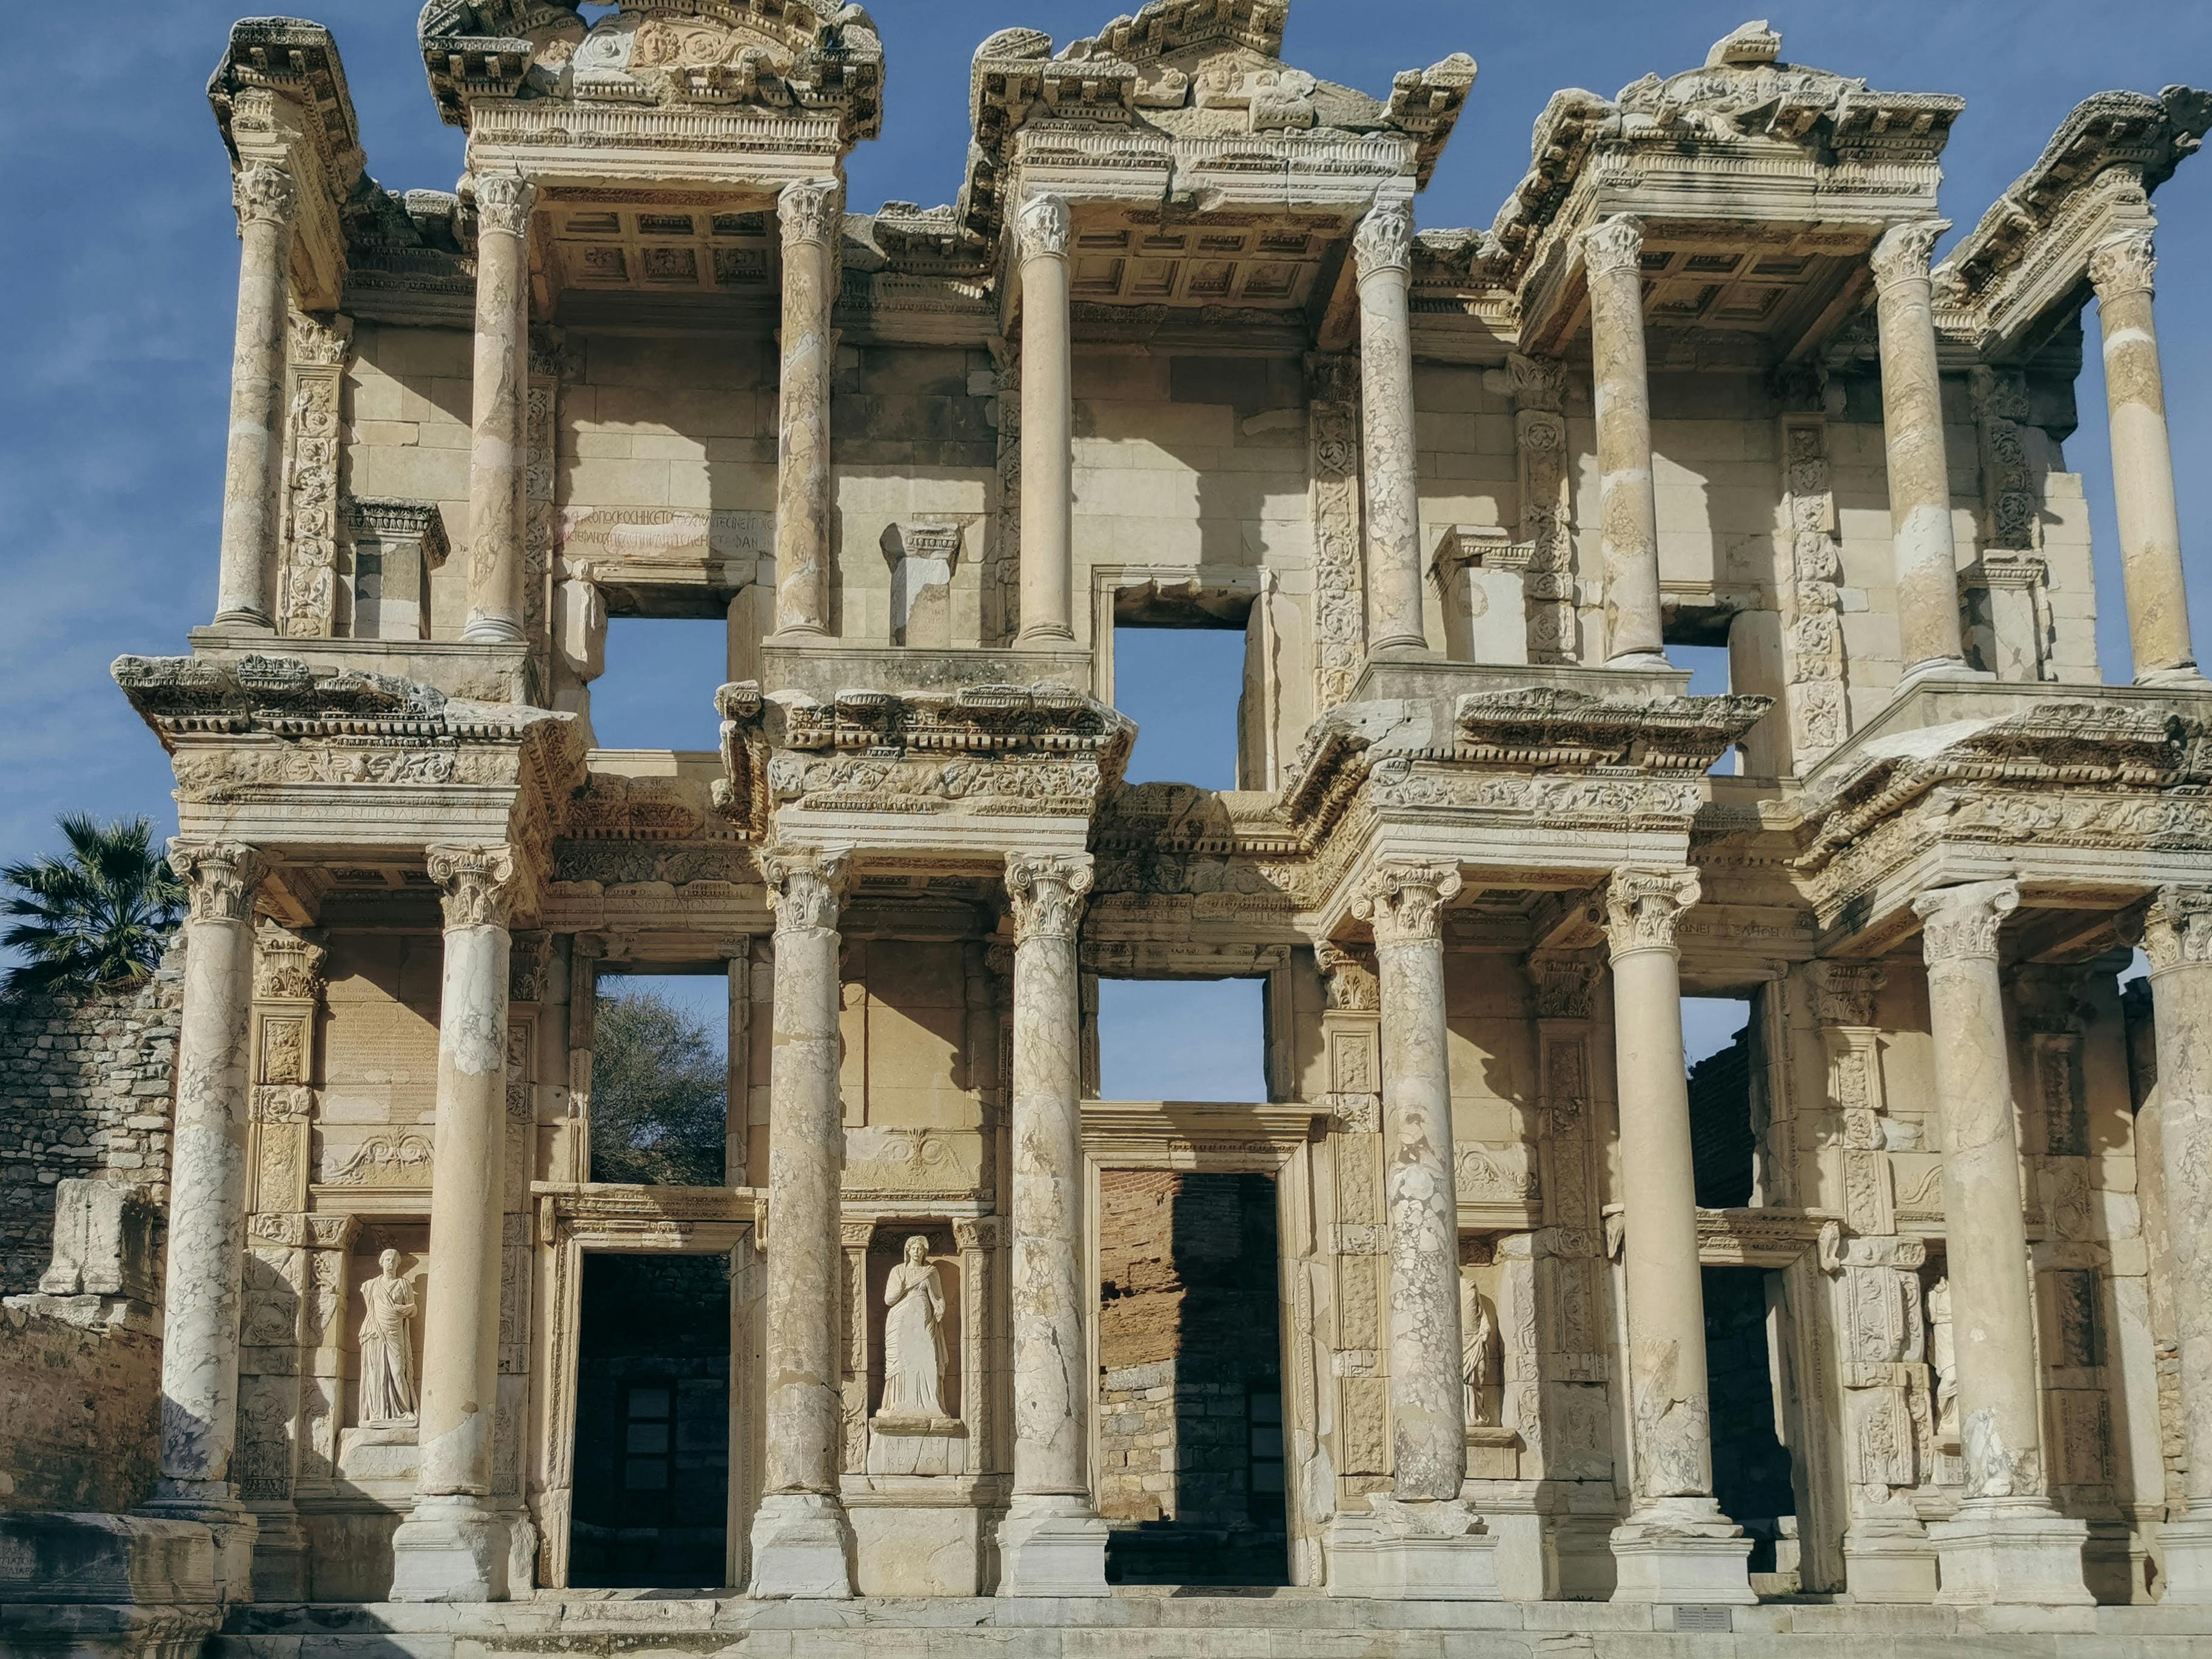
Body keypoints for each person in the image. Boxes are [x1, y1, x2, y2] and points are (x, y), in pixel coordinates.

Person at [880, 1235, 948, 1420]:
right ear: (908, 1251)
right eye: (914, 1248)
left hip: (922, 1319)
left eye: (921, 1249)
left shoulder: (931, 1272)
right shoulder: (898, 1271)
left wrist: (940, 1309)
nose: (918, 1252)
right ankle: (899, 1403)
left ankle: (929, 1404)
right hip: (901, 1320)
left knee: (925, 1358)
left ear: (925, 1252)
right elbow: (889, 1299)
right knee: (902, 1360)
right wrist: (903, 1287)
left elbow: (938, 1297)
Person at [358, 1248, 418, 1426]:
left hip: (395, 1333)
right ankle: (378, 1413)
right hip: (374, 1332)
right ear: (381, 1262)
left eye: (393, 1260)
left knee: (398, 1371)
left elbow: (413, 1309)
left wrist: (406, 1309)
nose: (390, 1263)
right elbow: (372, 1310)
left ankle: (405, 1410)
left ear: (398, 1263)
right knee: (376, 1372)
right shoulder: (370, 1285)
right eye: (387, 1260)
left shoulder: (403, 1284)